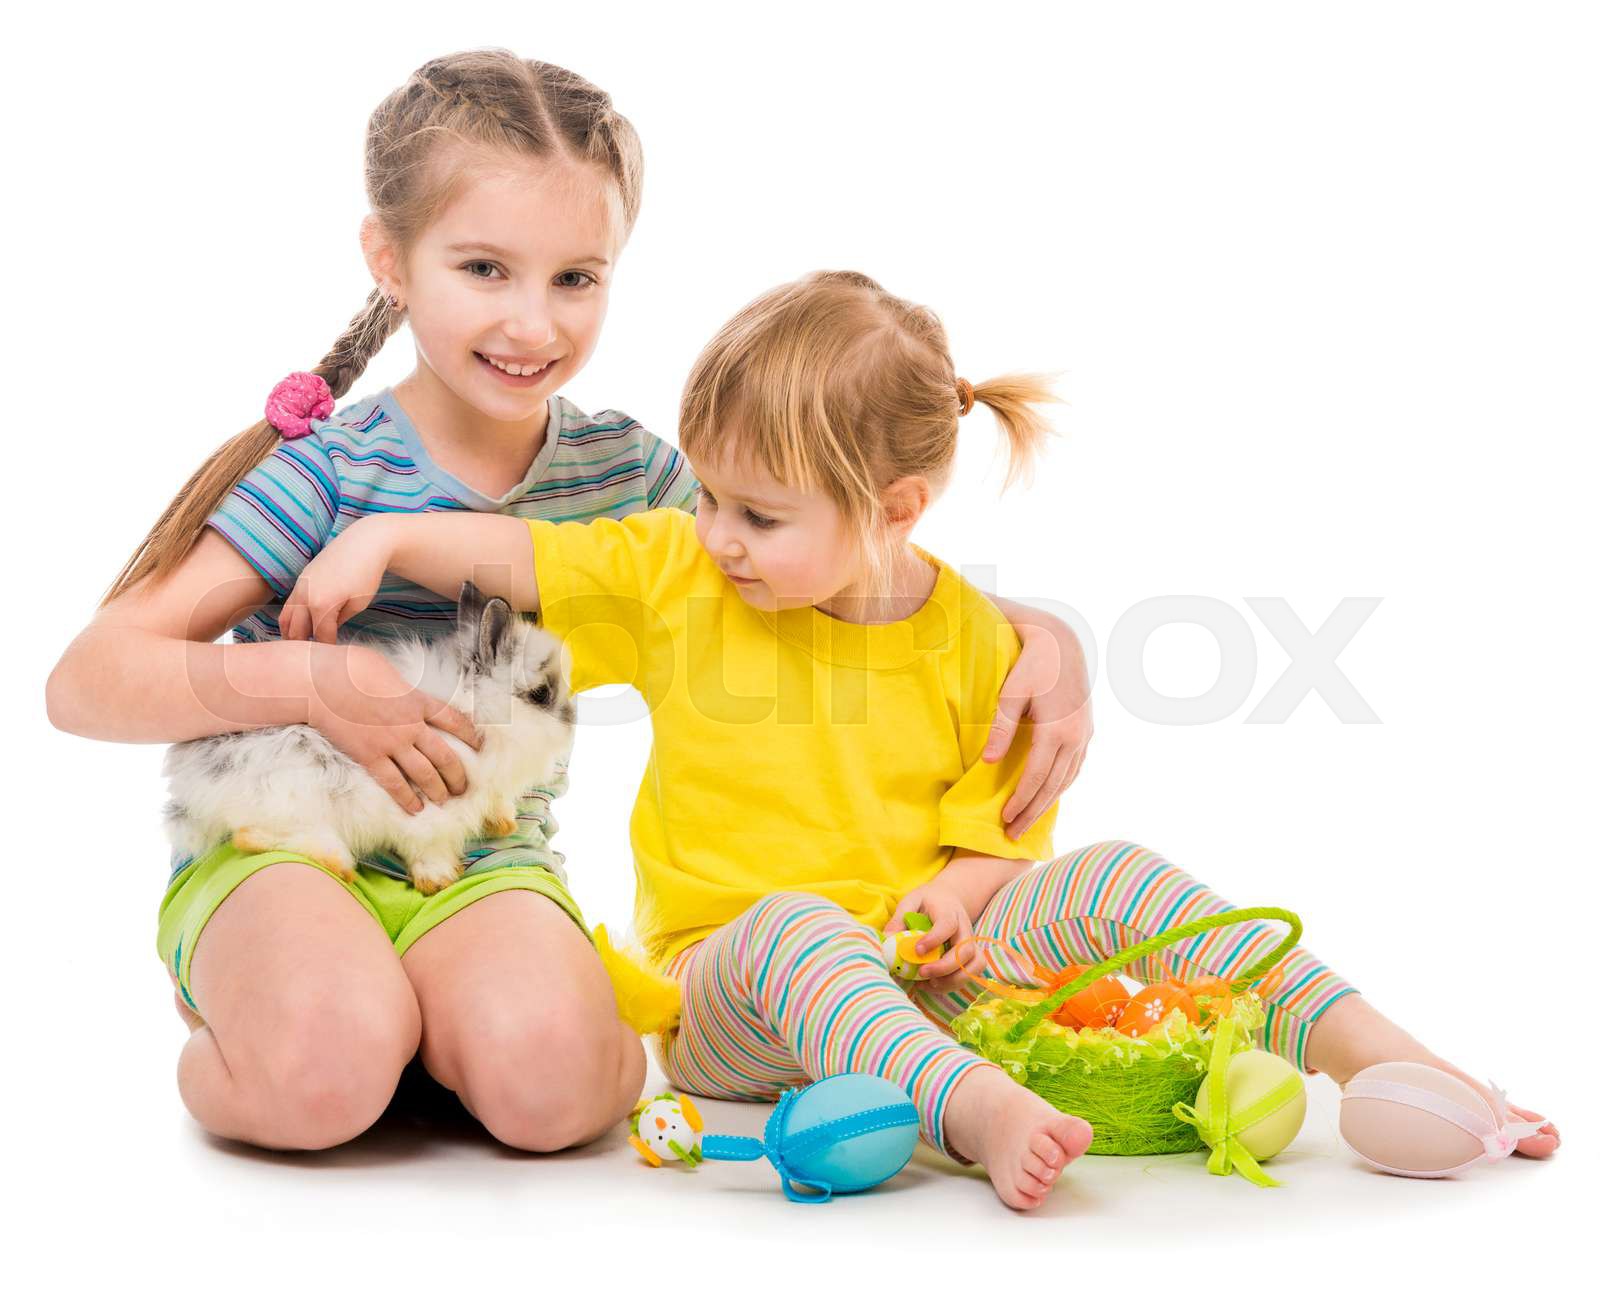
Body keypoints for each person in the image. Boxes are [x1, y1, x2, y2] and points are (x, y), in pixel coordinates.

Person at [280, 268, 1559, 1209]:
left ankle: (1390, 1063)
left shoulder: (974, 641)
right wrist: (388, 536)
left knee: (1121, 871)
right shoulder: (678, 571)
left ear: (896, 507)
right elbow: (517, 552)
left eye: (760, 514)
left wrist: (955, 891)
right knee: (800, 921)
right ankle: (978, 1110)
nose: (719, 531)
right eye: (714, 495)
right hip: (736, 991)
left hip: (927, 974)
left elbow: (997, 838)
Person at [43, 54, 1092, 1155]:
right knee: (319, 1076)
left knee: (566, 1095)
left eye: (575, 278)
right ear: (389, 259)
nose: (532, 324)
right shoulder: (328, 475)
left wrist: (1042, 637)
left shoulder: (632, 475)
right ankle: (286, 1010)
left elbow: (832, 561)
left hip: (485, 864)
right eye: (485, 268)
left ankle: (402, 1019)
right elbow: (89, 680)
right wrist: (317, 678)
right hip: (281, 846)